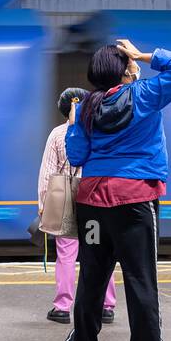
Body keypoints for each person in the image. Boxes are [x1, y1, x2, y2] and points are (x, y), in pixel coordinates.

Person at [63, 39, 171, 341]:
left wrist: (75, 122)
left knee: (92, 278)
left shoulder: (88, 106)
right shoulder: (144, 94)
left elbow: (76, 156)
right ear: (125, 69)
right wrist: (143, 55)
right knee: (140, 281)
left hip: (91, 204)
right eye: (130, 62)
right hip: (133, 201)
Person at [38, 87, 117, 325]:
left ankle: (62, 307)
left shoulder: (57, 134)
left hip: (66, 202)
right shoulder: (100, 133)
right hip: (95, 199)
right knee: (100, 251)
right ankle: (106, 306)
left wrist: (43, 205)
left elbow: (47, 174)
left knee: (67, 253)